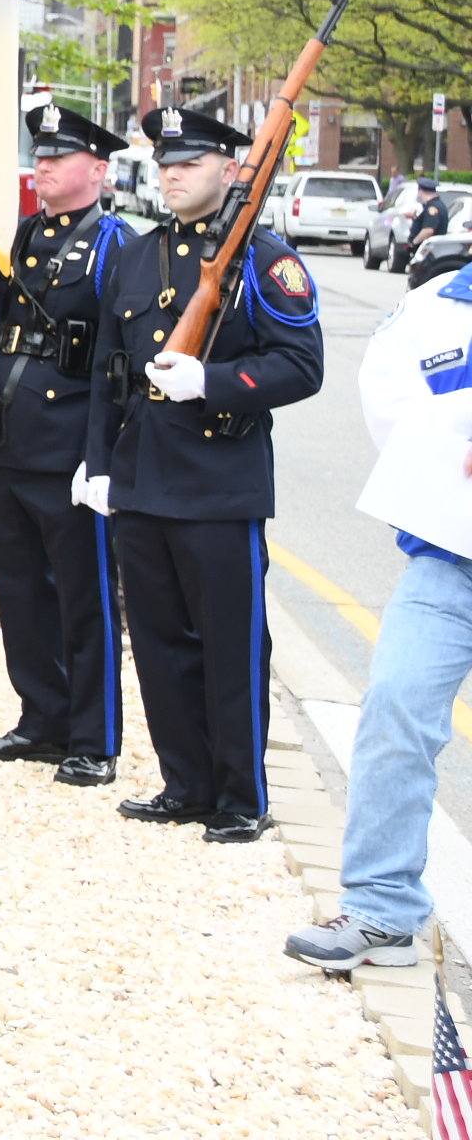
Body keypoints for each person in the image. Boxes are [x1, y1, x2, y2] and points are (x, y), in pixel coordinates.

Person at [84, 106, 323, 843]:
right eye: (165, 163)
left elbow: (301, 365)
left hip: (220, 483)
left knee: (231, 645)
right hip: (144, 476)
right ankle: (183, 783)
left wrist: (211, 384)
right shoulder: (137, 252)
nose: (173, 174)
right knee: (157, 644)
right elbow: (106, 369)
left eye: (188, 162)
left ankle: (240, 796)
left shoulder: (264, 259)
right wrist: (97, 463)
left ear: (230, 168)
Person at [0, 103, 134, 785]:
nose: (42, 165)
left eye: (59, 156)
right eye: (38, 155)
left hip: (68, 442)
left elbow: (119, 360)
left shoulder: (115, 246)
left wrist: (103, 456)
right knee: (18, 591)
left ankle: (93, 737)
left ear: (98, 170)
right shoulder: (15, 234)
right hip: (9, 433)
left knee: (82, 594)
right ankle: (40, 717)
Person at [285, 244, 472, 972]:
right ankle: (382, 911)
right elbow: (392, 417)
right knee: (394, 709)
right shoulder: (429, 312)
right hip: (450, 559)